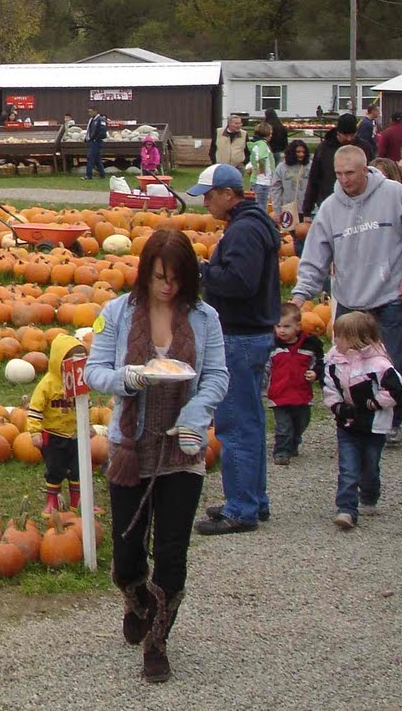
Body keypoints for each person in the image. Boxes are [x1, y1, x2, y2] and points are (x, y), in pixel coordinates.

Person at [84, 229, 228, 684]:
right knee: (128, 555)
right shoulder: (117, 314)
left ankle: (158, 640)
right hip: (132, 447)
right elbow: (94, 372)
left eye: (178, 278)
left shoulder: (205, 319)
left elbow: (217, 377)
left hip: (182, 449)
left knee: (171, 552)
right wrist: (129, 378)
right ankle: (137, 598)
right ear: (146, 272)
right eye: (161, 277)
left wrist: (195, 413)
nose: (168, 287)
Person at [289, 144, 402, 446]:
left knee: (392, 363)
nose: (345, 180)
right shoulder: (331, 208)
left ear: (365, 169)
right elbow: (315, 256)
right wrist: (300, 295)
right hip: (351, 297)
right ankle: (356, 419)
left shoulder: (395, 195)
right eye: (339, 174)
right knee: (347, 364)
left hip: (391, 295)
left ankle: (391, 422)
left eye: (350, 173)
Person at [187, 162, 278, 534]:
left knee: (235, 424)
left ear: (229, 194)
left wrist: (203, 272)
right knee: (250, 420)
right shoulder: (252, 224)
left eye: (209, 196)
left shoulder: (243, 231)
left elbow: (240, 282)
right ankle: (253, 498)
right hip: (252, 333)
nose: (205, 203)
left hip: (239, 336)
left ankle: (241, 509)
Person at [324, 309, 402, 529]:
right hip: (347, 424)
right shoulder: (334, 361)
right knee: (348, 467)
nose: (335, 340)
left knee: (369, 465)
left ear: (355, 339)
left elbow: (396, 393)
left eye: (339, 336)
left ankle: (369, 495)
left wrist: (373, 403)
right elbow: (330, 387)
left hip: (374, 425)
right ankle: (346, 509)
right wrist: (337, 406)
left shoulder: (379, 365)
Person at [26, 333, 88, 513]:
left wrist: (87, 424)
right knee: (55, 469)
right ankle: (52, 500)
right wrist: (35, 432)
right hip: (53, 435)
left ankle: (77, 501)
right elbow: (36, 409)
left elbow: (85, 405)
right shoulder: (47, 384)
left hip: (75, 434)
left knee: (78, 468)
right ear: (58, 362)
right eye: (69, 363)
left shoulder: (78, 383)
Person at [267, 301, 323, 465]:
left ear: (298, 327)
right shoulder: (272, 346)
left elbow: (320, 362)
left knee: (302, 421)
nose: (281, 330)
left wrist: (316, 373)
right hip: (279, 394)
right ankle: (282, 451)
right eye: (278, 326)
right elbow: (265, 368)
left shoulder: (310, 345)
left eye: (286, 326)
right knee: (283, 426)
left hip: (302, 394)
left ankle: (294, 440)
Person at [302, 113, 362, 218]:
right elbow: (314, 179)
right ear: (338, 133)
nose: (349, 139)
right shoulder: (324, 149)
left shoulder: (363, 147)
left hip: (358, 203)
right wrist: (307, 210)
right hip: (330, 201)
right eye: (345, 135)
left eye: (352, 135)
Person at [271, 139, 312, 231]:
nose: (301, 154)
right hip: (288, 209)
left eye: (303, 152)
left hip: (307, 209)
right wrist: (277, 211)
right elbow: (276, 190)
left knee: (306, 235)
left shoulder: (310, 166)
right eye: (298, 152)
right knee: (291, 237)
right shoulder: (281, 168)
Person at [244, 122, 274, 211]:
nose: (271, 135)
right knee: (261, 208)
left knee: (256, 205)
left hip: (257, 181)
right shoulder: (262, 145)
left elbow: (253, 159)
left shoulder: (256, 145)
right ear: (266, 134)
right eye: (271, 133)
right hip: (263, 182)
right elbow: (261, 157)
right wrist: (261, 169)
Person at [83, 106, 109, 179]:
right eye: (89, 112)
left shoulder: (101, 120)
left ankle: (88, 175)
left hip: (96, 141)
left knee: (90, 158)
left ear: (96, 111)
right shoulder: (92, 120)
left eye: (91, 112)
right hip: (91, 141)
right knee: (97, 159)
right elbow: (89, 130)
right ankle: (102, 174)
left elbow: (103, 132)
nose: (89, 113)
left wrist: (95, 139)